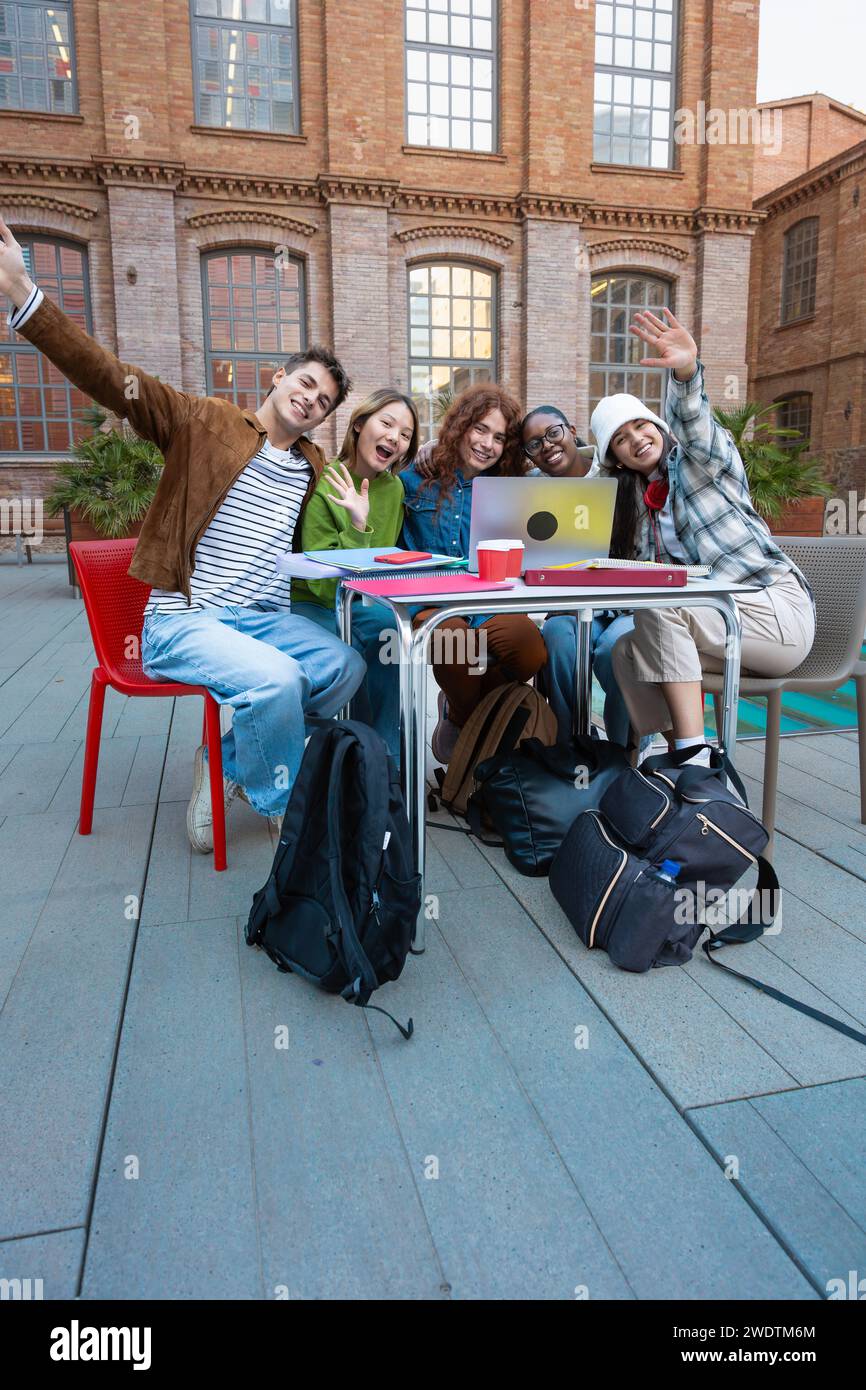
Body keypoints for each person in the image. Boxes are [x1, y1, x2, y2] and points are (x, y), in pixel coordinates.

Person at [0, 215, 366, 854]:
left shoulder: (311, 465)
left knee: (344, 666)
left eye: (325, 400)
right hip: (187, 618)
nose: (311, 400)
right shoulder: (202, 422)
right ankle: (284, 806)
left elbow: (303, 543)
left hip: (262, 619)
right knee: (278, 682)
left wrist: (356, 523)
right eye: (305, 383)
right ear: (279, 378)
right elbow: (110, 378)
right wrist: (25, 295)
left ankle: (221, 763)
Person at [600, 307, 816, 766]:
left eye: (641, 425)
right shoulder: (637, 507)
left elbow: (695, 423)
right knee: (624, 648)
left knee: (659, 607)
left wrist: (685, 372)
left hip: (772, 612)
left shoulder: (702, 463)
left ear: (658, 426)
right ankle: (656, 754)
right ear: (616, 458)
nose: (637, 439)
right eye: (621, 439)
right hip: (721, 625)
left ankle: (693, 759)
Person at [400, 383, 547, 762]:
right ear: (461, 427)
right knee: (452, 638)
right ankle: (475, 728)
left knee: (529, 649)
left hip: (487, 601)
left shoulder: (509, 487)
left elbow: (570, 464)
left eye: (499, 437)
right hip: (430, 603)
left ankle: (461, 713)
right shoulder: (413, 480)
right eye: (480, 429)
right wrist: (428, 446)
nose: (486, 443)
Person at [292, 388, 420, 762]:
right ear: (360, 424)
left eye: (406, 434)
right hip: (314, 601)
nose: (395, 437)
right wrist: (358, 524)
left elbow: (383, 561)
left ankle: (382, 762)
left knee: (392, 634)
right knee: (350, 656)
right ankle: (352, 752)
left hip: (363, 601)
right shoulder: (326, 479)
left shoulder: (394, 488)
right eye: (387, 423)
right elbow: (321, 579)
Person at [521, 406, 650, 750]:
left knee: (615, 649)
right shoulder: (532, 487)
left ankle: (625, 751)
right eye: (534, 444)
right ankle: (572, 743)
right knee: (558, 636)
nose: (546, 445)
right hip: (570, 606)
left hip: (625, 605)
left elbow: (644, 553)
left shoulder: (619, 475)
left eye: (553, 433)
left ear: (570, 429)